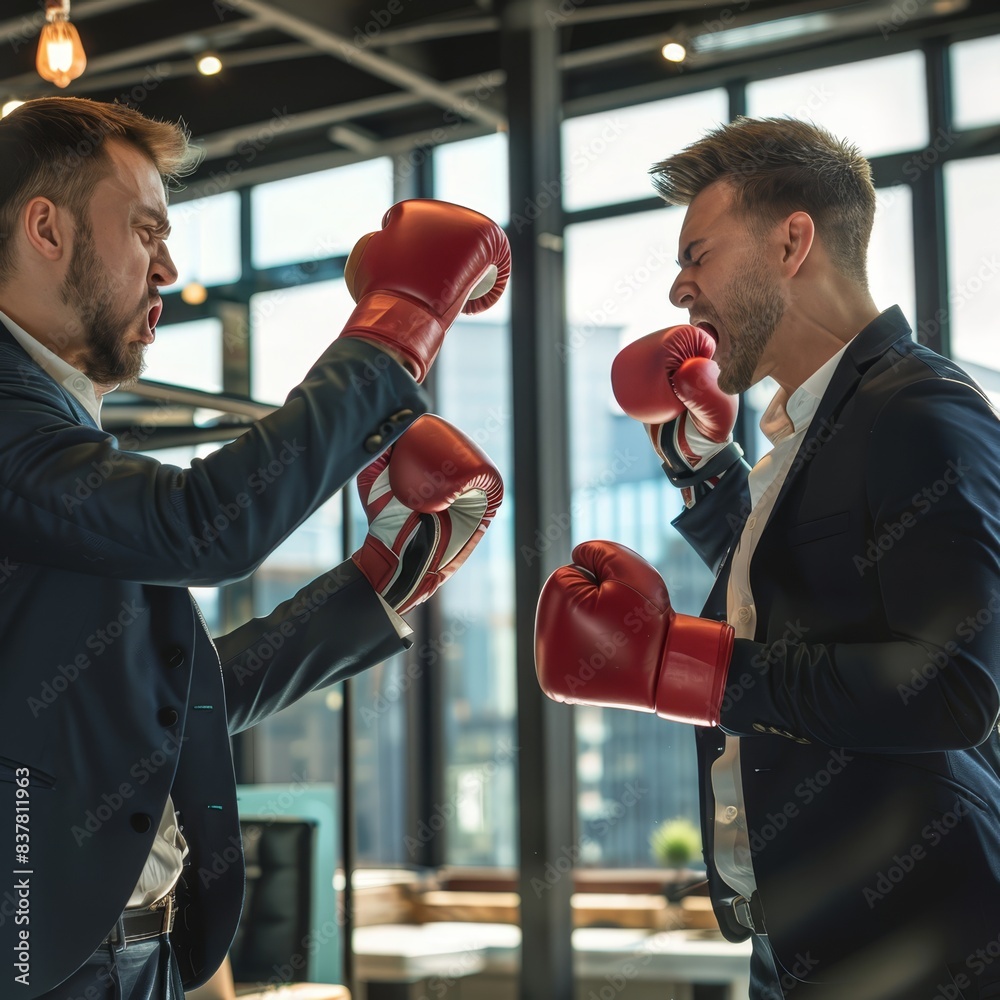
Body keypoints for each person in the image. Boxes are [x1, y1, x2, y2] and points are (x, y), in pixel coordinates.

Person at [0, 96, 510, 999]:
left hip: (134, 958)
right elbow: (203, 524)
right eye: (146, 230)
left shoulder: (62, 432)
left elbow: (179, 701)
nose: (168, 266)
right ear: (45, 227)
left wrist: (377, 583)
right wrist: (398, 326)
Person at [535, 116, 1000, 999]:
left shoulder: (922, 411)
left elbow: (954, 688)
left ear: (793, 241)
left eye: (698, 254)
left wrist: (684, 666)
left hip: (921, 937)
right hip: (799, 930)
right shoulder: (812, 423)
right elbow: (805, 596)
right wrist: (709, 480)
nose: (679, 290)